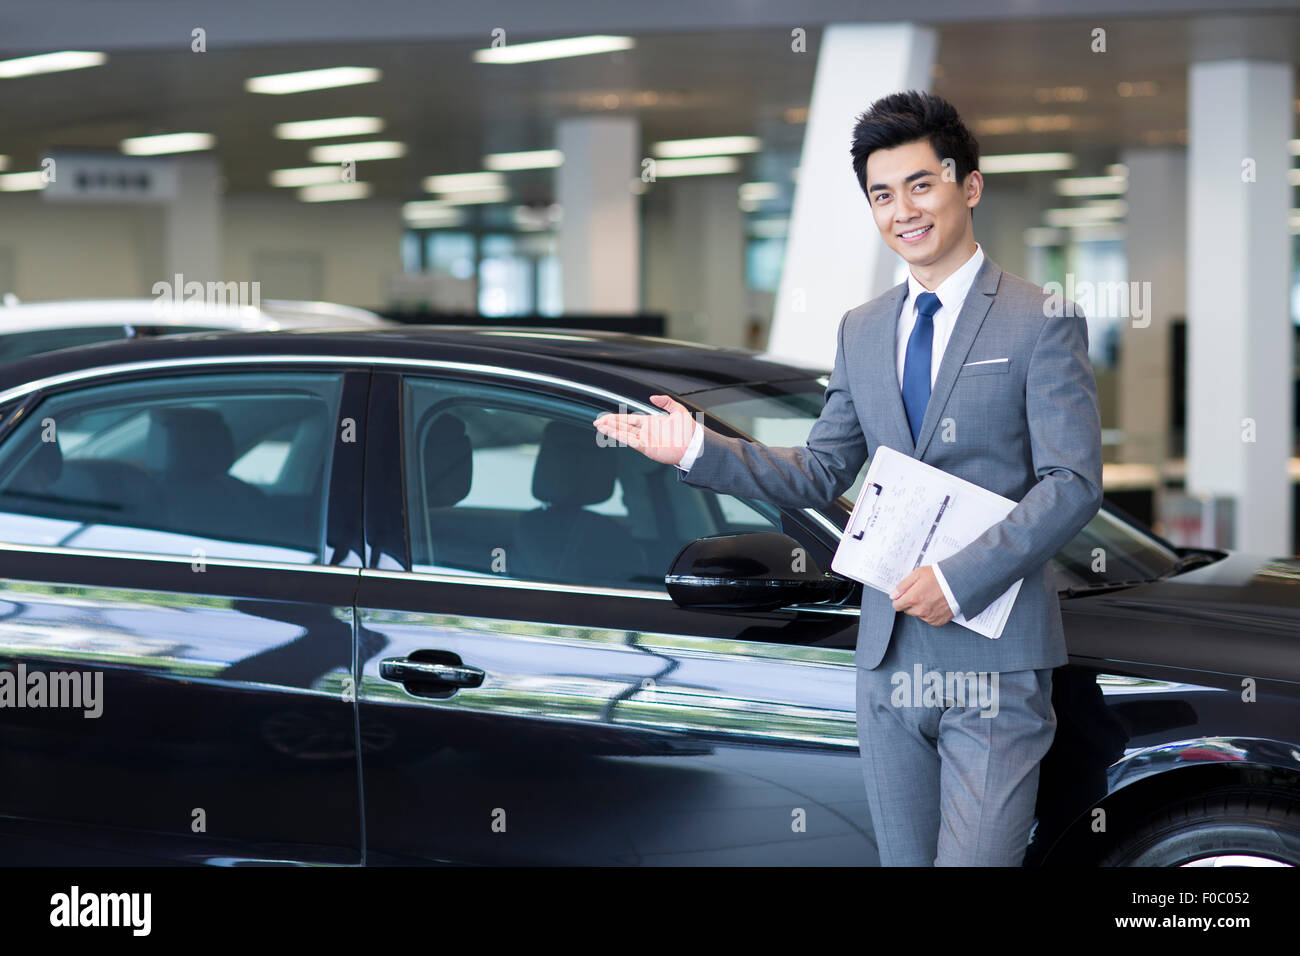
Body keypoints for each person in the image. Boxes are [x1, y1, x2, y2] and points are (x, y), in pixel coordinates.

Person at [592, 90, 1103, 866]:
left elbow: (1072, 482)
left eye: (920, 184)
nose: (904, 210)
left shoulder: (1040, 318)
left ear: (968, 185)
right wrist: (697, 450)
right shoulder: (862, 330)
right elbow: (822, 468)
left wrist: (957, 579)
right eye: (882, 194)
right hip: (888, 661)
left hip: (993, 666)